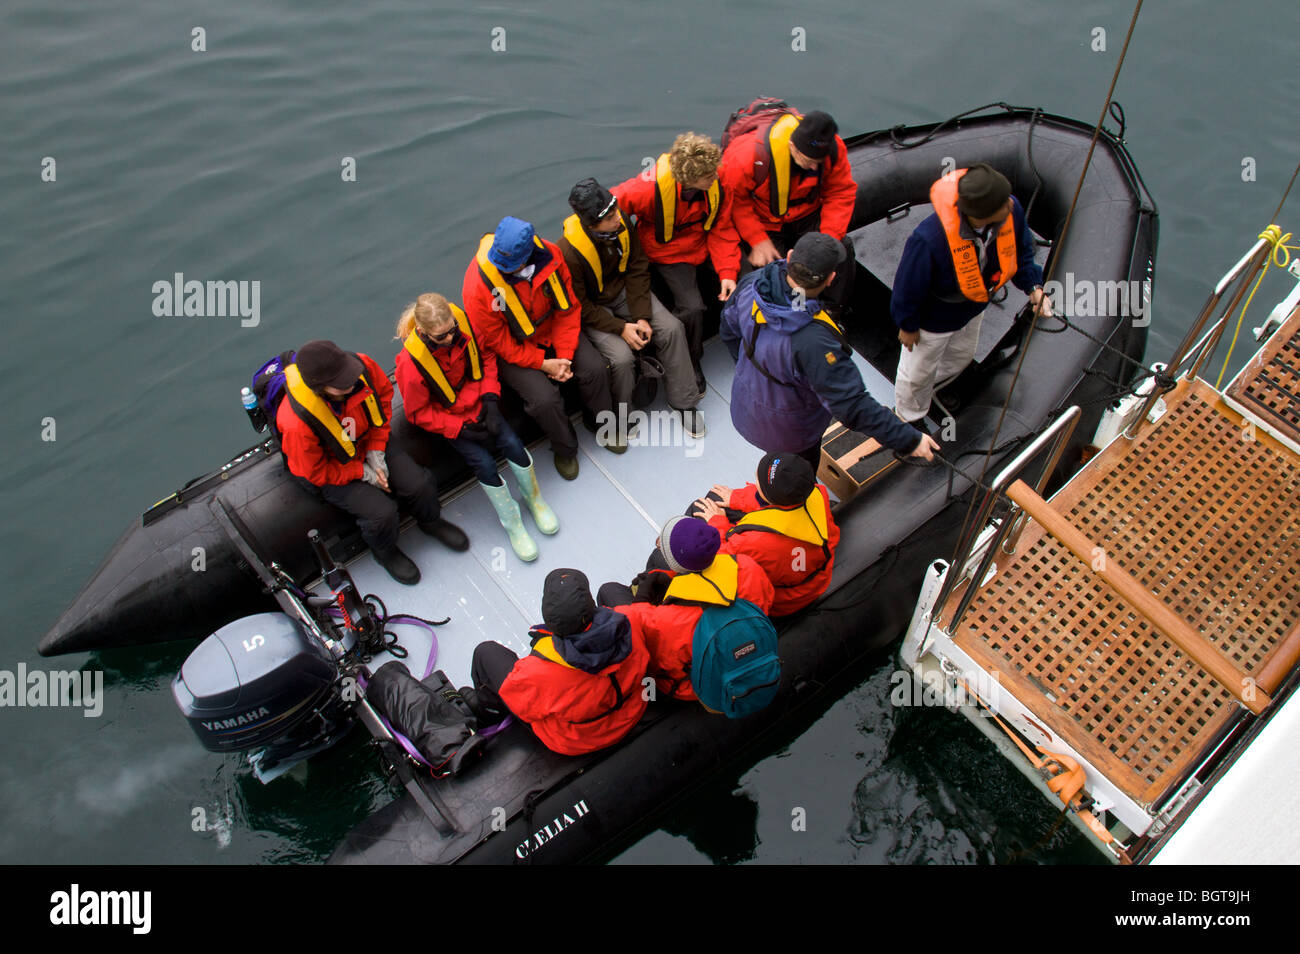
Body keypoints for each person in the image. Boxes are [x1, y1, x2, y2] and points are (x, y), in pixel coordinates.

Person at [720, 231, 940, 470]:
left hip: (744, 410)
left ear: (791, 256)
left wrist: (749, 369)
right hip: (791, 435)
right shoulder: (815, 342)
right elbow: (852, 406)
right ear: (831, 278)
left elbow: (728, 330)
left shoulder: (752, 284)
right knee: (801, 468)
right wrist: (909, 440)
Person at [277, 339, 468, 585]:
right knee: (381, 513)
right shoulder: (295, 423)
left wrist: (376, 451)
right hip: (335, 468)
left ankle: (431, 521)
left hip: (369, 441)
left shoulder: (361, 366)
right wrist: (364, 473)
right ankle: (385, 552)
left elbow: (384, 400)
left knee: (418, 484)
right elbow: (314, 471)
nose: (352, 383)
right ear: (320, 388)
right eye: (341, 383)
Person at [394, 292, 556, 563]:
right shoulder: (411, 366)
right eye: (440, 337)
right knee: (484, 465)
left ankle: (535, 501)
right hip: (454, 421)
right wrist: (460, 428)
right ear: (422, 332)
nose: (449, 339)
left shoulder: (466, 326)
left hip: (482, 403)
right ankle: (513, 523)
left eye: (451, 331)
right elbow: (417, 412)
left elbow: (487, 358)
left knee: (514, 445)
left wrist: (491, 400)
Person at [891, 163, 1053, 424]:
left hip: (974, 308)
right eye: (1001, 204)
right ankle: (908, 417)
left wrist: (1034, 287)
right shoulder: (929, 239)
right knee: (916, 373)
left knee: (960, 357)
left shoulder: (1011, 210)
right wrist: (907, 325)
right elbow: (907, 287)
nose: (1010, 205)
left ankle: (933, 387)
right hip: (934, 321)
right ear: (981, 214)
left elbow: (1021, 250)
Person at [462, 216, 617, 481]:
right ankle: (565, 448)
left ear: (528, 255)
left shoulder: (552, 256)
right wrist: (542, 363)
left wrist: (565, 355)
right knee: (544, 400)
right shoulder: (478, 288)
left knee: (594, 369)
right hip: (516, 347)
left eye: (510, 266)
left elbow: (567, 309)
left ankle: (602, 423)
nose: (504, 270)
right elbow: (499, 341)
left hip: (554, 331)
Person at [559, 178, 705, 438]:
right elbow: (579, 305)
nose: (617, 217)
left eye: (615, 209)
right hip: (595, 309)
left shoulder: (621, 222)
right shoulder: (568, 253)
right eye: (609, 216)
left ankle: (684, 401)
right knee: (621, 358)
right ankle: (623, 416)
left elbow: (637, 267)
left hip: (626, 292)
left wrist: (641, 317)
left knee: (671, 328)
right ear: (592, 225)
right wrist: (620, 328)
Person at [468, 568, 651, 756]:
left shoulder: (536, 673)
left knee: (486, 652)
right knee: (609, 589)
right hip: (635, 707)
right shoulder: (632, 622)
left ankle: (489, 717)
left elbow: (525, 709)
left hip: (580, 741)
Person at [612, 132, 741, 391]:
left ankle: (748, 344)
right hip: (668, 255)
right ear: (690, 179)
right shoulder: (646, 189)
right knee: (692, 309)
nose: (716, 177)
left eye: (714, 172)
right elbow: (611, 205)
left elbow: (722, 226)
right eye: (708, 177)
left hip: (705, 243)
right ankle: (691, 362)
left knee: (745, 281)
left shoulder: (718, 176)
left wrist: (728, 271)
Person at [601, 516, 774, 702]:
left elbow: (654, 660)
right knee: (656, 558)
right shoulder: (747, 566)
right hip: (751, 648)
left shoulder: (666, 620)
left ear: (676, 566)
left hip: (699, 687)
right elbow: (767, 599)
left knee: (608, 590)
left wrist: (641, 601)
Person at [718, 109, 858, 315]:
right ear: (792, 145)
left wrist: (826, 241)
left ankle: (833, 312)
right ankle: (790, 317)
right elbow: (736, 201)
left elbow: (840, 191)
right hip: (766, 223)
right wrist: (756, 239)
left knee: (841, 248)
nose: (812, 166)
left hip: (808, 213)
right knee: (776, 272)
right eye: (807, 160)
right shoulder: (745, 157)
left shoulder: (833, 150)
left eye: (816, 163)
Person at [690, 453, 839, 617]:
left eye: (758, 480)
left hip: (786, 600)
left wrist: (717, 522)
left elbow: (722, 556)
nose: (755, 481)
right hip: (811, 570)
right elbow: (773, 505)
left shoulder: (755, 541)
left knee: (699, 513)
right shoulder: (818, 492)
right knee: (716, 500)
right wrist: (737, 498)